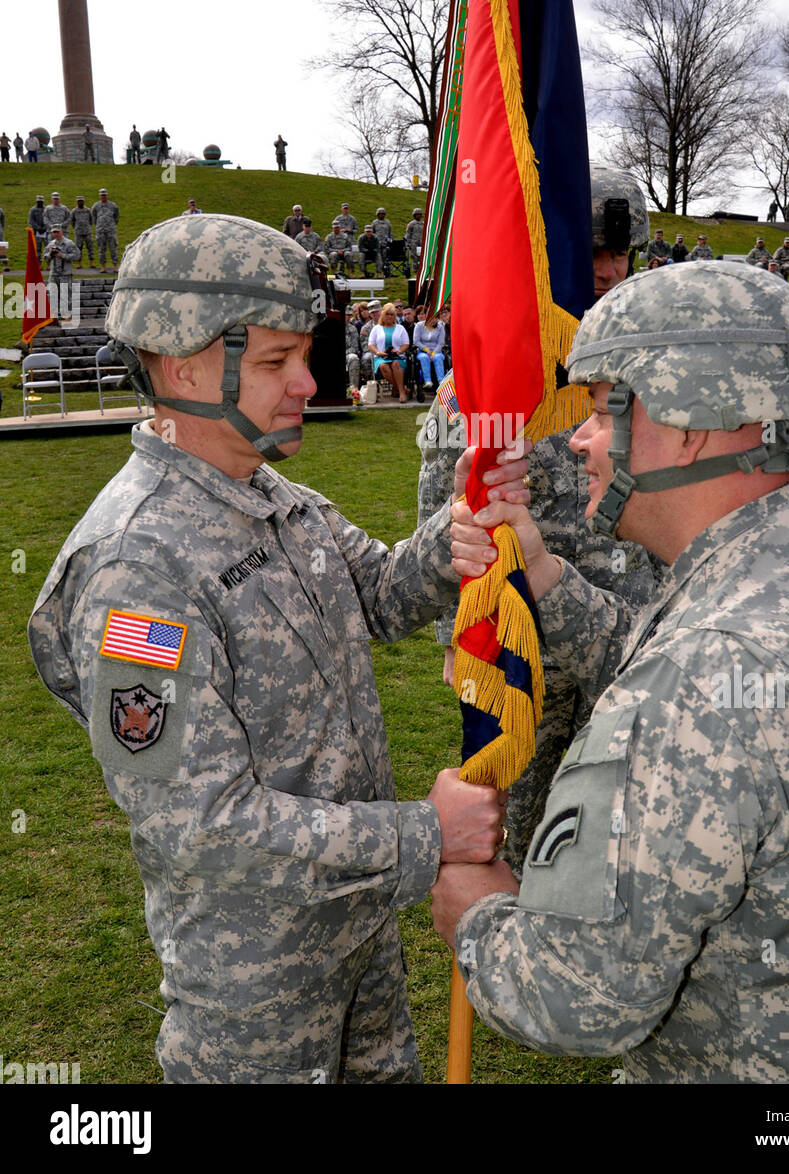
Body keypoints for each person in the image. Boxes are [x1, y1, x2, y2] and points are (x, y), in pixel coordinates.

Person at [27, 213, 510, 1085]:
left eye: (302, 355)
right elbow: (198, 826)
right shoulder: (137, 569)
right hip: (257, 991)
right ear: (184, 367)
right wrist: (423, 835)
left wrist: (456, 535)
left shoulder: (272, 492)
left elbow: (378, 593)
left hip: (356, 935)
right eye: (275, 362)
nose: (308, 383)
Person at [436, 260, 789, 1083]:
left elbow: (577, 998)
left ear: (691, 428)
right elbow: (679, 664)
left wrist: (478, 910)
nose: (579, 439)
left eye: (603, 410)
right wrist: (544, 574)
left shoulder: (710, 669)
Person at [417, 172, 661, 877]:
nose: (608, 270)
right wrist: (456, 640)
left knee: (619, 824)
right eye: (591, 254)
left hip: (631, 631)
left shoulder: (648, 375)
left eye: (621, 255)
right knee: (522, 830)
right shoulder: (490, 377)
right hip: (530, 643)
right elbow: (449, 512)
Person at [368, 301, 410, 400]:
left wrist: (399, 351)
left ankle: (400, 393)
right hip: (381, 356)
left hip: (397, 356)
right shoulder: (376, 328)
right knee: (383, 367)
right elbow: (371, 344)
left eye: (392, 314)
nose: (389, 316)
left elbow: (406, 343)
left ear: (394, 316)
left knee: (396, 364)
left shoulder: (400, 328)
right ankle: (402, 389)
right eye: (387, 314)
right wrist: (378, 352)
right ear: (383, 315)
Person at [413, 311, 446, 392]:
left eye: (435, 318)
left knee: (438, 357)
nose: (433, 320)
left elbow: (440, 343)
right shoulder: (419, 325)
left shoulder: (440, 327)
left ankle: (441, 381)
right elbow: (416, 341)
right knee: (424, 358)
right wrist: (426, 350)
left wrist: (433, 353)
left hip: (436, 351)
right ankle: (428, 381)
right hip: (422, 351)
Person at [92, 188, 120, 272]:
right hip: (100, 231)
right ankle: (103, 266)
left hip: (111, 230)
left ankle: (115, 266)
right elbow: (93, 217)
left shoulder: (113, 205)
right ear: (100, 196)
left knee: (113, 248)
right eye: (102, 195)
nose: (103, 196)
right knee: (101, 249)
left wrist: (111, 225)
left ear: (107, 195)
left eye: (104, 195)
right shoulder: (96, 206)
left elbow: (116, 217)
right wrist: (98, 225)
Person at [70, 196, 95, 268]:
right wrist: (76, 227)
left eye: (81, 201)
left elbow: (91, 220)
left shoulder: (88, 210)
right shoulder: (74, 211)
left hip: (87, 232)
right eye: (79, 201)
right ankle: (79, 263)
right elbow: (72, 221)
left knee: (90, 247)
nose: (80, 202)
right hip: (78, 232)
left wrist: (88, 227)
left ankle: (92, 262)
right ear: (77, 202)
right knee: (78, 248)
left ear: (83, 201)